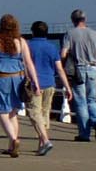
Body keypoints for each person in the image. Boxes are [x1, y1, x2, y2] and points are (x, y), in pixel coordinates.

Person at [0, 14, 39, 158]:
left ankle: (14, 140)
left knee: (2, 111)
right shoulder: (21, 41)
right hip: (18, 78)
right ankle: (11, 145)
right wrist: (36, 83)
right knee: (13, 112)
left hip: (0, 78)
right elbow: (29, 63)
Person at [25, 20, 74, 156]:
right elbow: (59, 68)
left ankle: (45, 141)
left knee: (34, 113)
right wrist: (67, 87)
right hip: (50, 83)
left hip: (34, 85)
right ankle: (41, 144)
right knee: (44, 112)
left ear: (33, 32)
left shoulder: (28, 46)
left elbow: (24, 66)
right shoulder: (52, 47)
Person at [62, 9, 96, 141]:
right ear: (84, 19)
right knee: (91, 100)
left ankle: (84, 134)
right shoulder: (95, 34)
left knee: (81, 102)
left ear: (73, 20)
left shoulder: (70, 33)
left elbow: (63, 53)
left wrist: (64, 69)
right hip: (92, 68)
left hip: (78, 70)